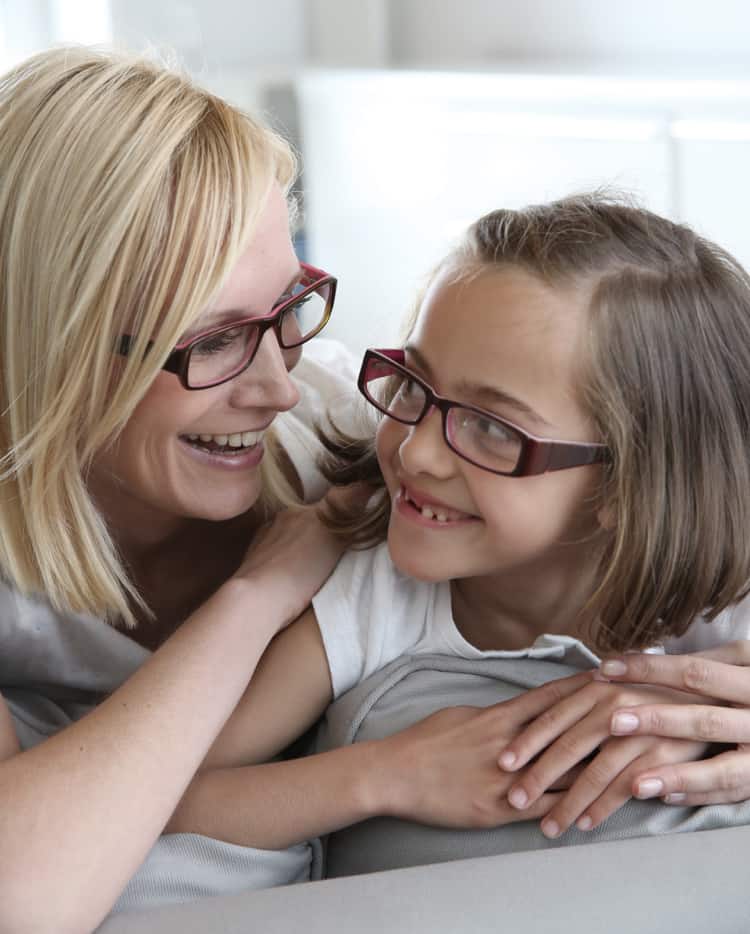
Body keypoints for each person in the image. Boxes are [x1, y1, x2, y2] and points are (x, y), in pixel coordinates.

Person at [165, 192, 750, 856]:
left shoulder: (721, 599)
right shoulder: (371, 595)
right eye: (412, 385)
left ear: (631, 482)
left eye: (492, 428)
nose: (416, 452)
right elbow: (161, 797)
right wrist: (383, 776)